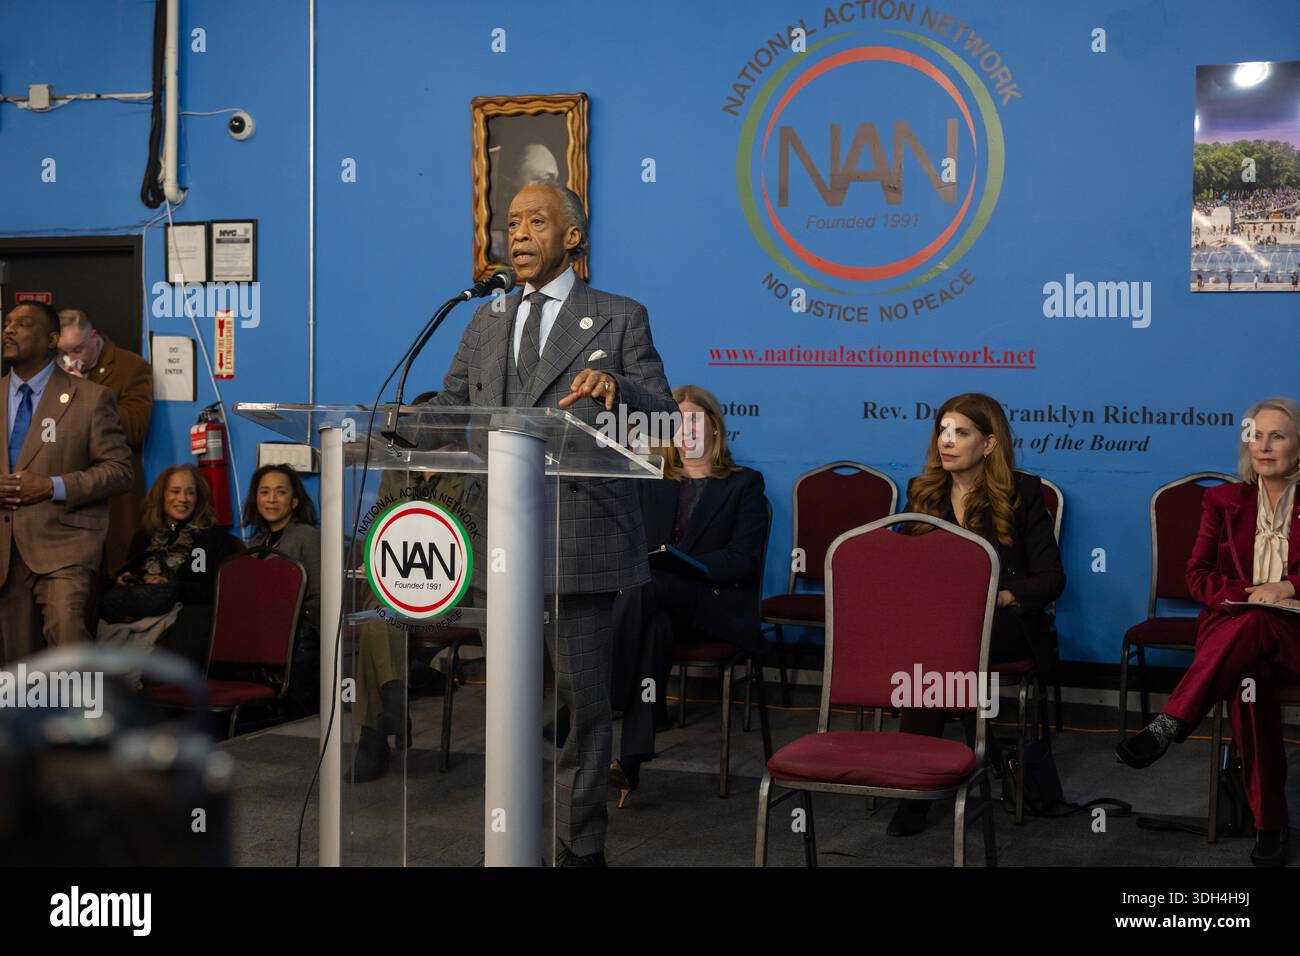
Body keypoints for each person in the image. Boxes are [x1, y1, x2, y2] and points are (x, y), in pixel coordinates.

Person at [429, 179, 676, 865]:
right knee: (506, 704)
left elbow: (659, 417)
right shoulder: (485, 319)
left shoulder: (619, 317)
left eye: (537, 221)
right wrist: (404, 427)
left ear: (571, 236)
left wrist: (617, 388)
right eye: (511, 223)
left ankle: (580, 845)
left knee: (582, 709)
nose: (520, 235)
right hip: (499, 538)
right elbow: (450, 408)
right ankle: (508, 838)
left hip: (580, 538)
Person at [1116, 398, 1300, 867]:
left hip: (1295, 636)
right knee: (1248, 684)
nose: (1264, 445)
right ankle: (1270, 828)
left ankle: (1171, 721)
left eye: (1277, 436)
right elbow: (1197, 575)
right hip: (1239, 635)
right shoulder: (1223, 501)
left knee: (1258, 624)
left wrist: (1287, 586)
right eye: (1256, 435)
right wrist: (1252, 592)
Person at [888, 392, 1065, 836]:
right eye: (943, 431)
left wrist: (1003, 596)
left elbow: (1051, 579)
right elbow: (903, 569)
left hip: (1005, 624)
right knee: (933, 645)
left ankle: (918, 788)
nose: (947, 441)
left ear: (988, 444)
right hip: (940, 627)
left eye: (960, 433)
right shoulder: (922, 492)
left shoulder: (1024, 493)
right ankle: (975, 750)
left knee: (931, 654)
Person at [609, 385, 766, 807]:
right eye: (675, 421)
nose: (686, 429)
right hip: (659, 606)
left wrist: (685, 565)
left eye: (695, 419)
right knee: (654, 623)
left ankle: (602, 695)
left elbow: (742, 560)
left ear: (715, 427)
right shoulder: (653, 483)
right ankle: (630, 761)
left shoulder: (744, 485)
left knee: (650, 585)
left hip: (715, 604)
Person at [0, 301, 132, 664]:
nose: (9, 330)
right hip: (5, 549)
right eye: (7, 323)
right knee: (16, 663)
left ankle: (85, 720)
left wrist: (52, 485)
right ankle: (24, 722)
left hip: (64, 546)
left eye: (23, 324)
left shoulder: (90, 399)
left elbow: (120, 470)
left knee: (68, 641)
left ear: (51, 340)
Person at [100, 464, 240, 668]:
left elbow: (213, 590)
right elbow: (130, 569)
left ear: (198, 499)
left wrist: (170, 585)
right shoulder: (144, 536)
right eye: (175, 491)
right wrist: (126, 578)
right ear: (162, 496)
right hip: (143, 608)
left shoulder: (211, 537)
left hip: (185, 613)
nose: (182, 499)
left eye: (190, 493)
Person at [58, 309, 153, 572]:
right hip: (64, 494)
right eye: (63, 352)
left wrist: (87, 397)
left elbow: (135, 427)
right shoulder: (50, 371)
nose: (70, 360)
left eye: (77, 350)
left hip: (112, 495)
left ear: (94, 337)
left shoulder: (131, 367)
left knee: (115, 571)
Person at [242, 464, 321, 715]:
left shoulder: (307, 537)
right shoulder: (254, 543)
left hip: (299, 638)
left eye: (281, 492)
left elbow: (321, 596)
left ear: (295, 501)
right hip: (257, 636)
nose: (272, 499)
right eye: (264, 492)